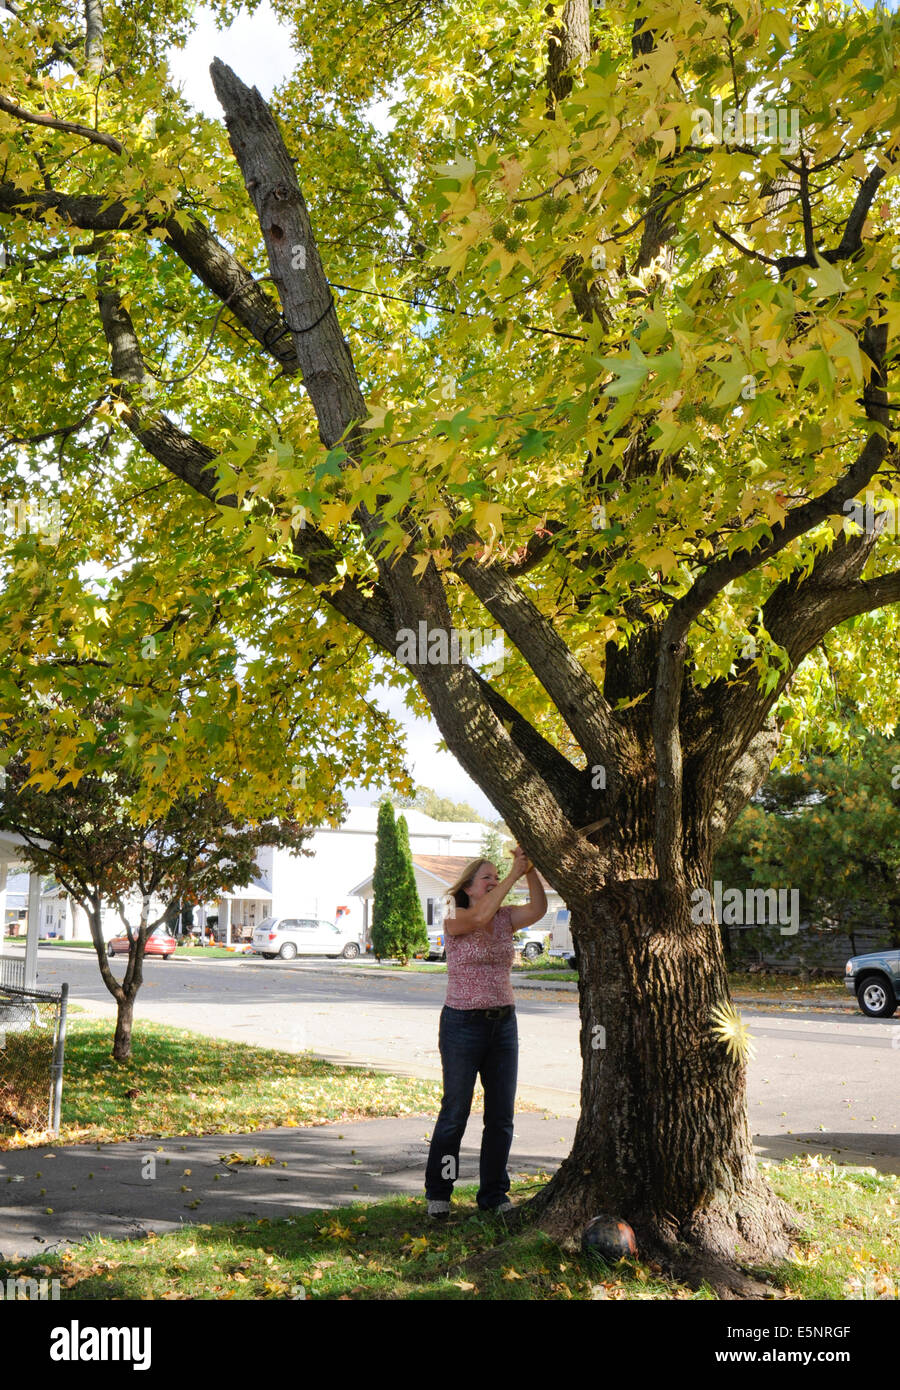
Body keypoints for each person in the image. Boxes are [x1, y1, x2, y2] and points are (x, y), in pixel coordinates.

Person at [424, 846, 547, 1218]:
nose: (495, 881)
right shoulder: (453, 913)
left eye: (497, 876)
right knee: (455, 1112)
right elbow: (478, 918)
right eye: (488, 877)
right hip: (462, 1024)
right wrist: (513, 874)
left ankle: (493, 1195)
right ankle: (439, 1193)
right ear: (469, 886)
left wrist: (529, 871)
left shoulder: (506, 917)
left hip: (503, 1025)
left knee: (501, 1116)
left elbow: (539, 909)